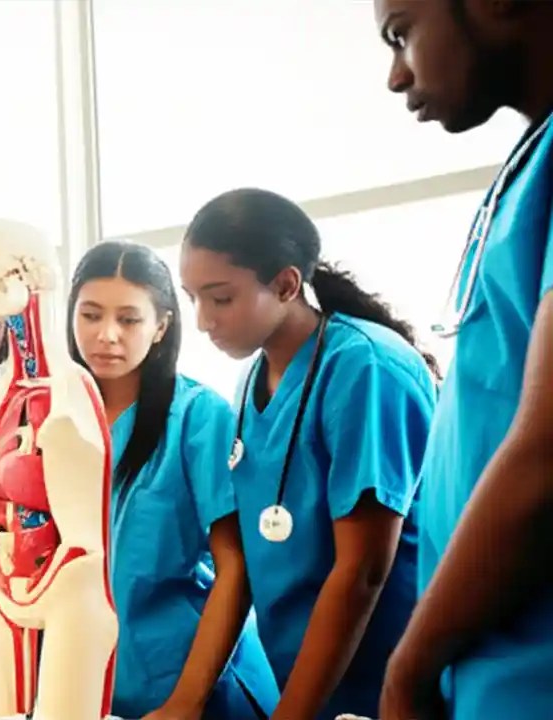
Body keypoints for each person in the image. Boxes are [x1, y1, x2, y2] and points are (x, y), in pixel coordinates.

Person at [177, 188, 439, 720]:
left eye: (220, 298)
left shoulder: (365, 368)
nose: (203, 321)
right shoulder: (253, 382)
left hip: (389, 686)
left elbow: (364, 569)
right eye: (192, 299)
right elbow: (254, 560)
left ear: (286, 284)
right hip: (313, 690)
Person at [370, 2, 553, 718]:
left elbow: (544, 453)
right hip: (484, 682)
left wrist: (408, 669)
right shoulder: (531, 166)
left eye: (401, 32)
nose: (395, 75)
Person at [68, 241, 279, 720]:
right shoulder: (52, 419)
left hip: (193, 688)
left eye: (128, 319)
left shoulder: (197, 417)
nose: (106, 335)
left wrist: (186, 702)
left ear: (161, 325)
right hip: (93, 686)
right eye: (91, 315)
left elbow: (236, 567)